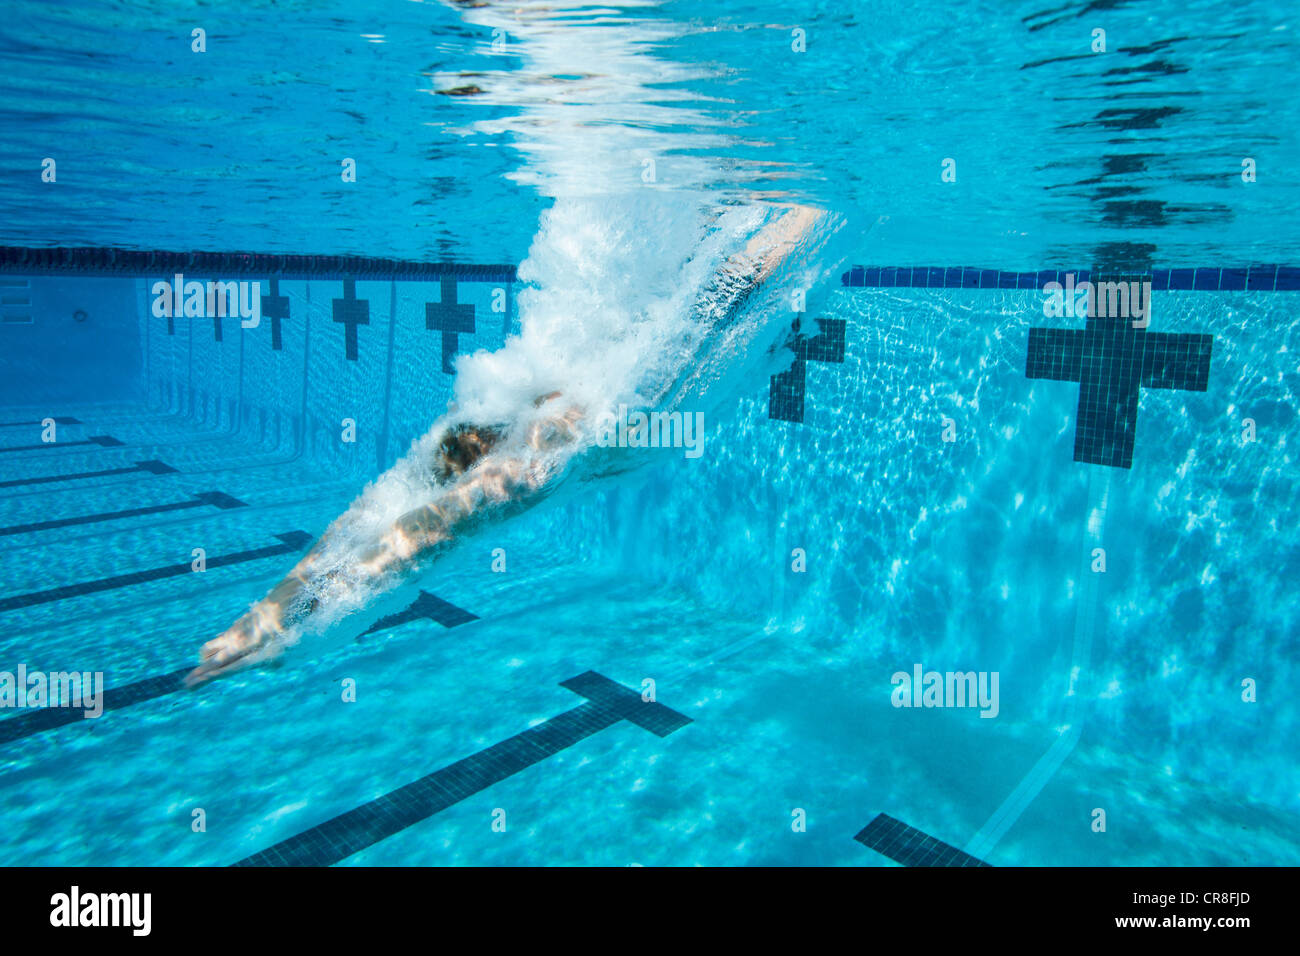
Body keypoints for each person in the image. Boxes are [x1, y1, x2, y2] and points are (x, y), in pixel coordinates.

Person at [185, 205, 822, 686]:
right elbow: (376, 522)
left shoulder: (523, 460)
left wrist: (286, 629)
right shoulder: (504, 428)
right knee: (715, 306)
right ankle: (766, 218)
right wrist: (272, 615)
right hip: (602, 416)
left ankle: (797, 213)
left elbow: (422, 531)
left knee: (721, 303)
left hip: (614, 423)